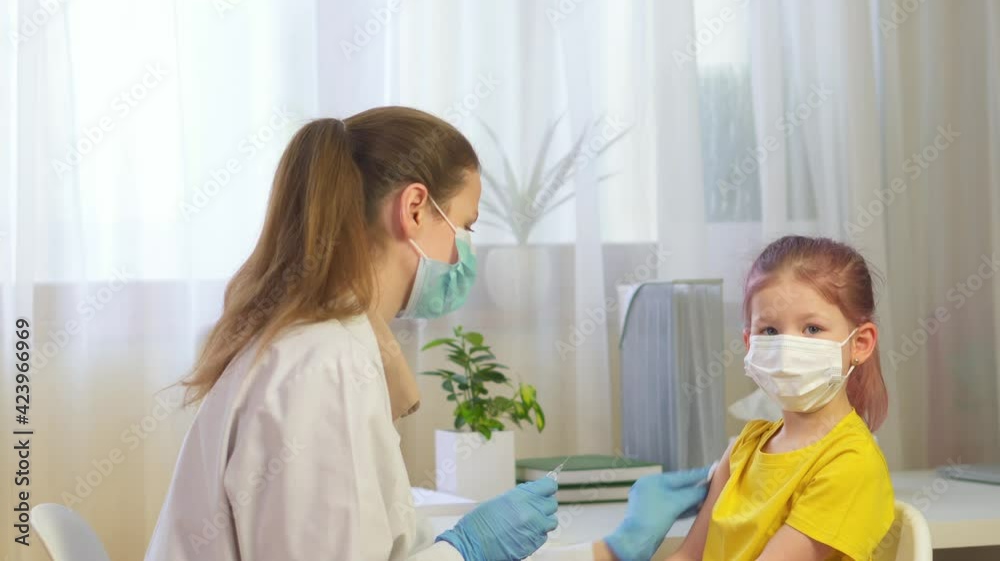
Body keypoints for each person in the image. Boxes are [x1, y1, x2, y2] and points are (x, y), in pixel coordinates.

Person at [145, 106, 709, 561]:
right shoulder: (324, 364)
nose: (464, 252)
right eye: (464, 225)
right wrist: (468, 550)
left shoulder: (322, 345)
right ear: (415, 208)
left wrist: (604, 551)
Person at [667, 236, 895, 560]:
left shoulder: (850, 463)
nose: (787, 349)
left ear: (860, 343)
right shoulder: (741, 452)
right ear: (749, 343)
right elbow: (688, 556)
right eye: (770, 331)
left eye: (812, 328)